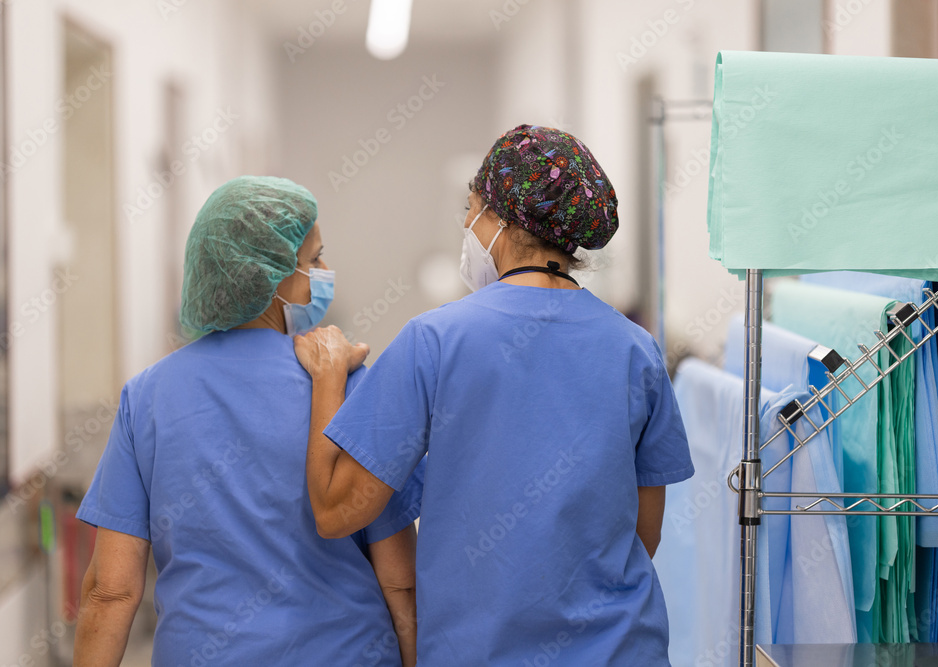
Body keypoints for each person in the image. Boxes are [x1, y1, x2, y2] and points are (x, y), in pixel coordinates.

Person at [293, 125, 694, 665]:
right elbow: (644, 534)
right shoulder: (637, 351)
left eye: (471, 206)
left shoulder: (433, 341)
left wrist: (327, 379)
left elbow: (336, 511)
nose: (465, 222)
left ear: (503, 219)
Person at [73, 176, 423, 667]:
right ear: (274, 274)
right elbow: (399, 578)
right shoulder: (344, 383)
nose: (326, 272)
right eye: (315, 259)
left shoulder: (147, 397)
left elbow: (110, 592)